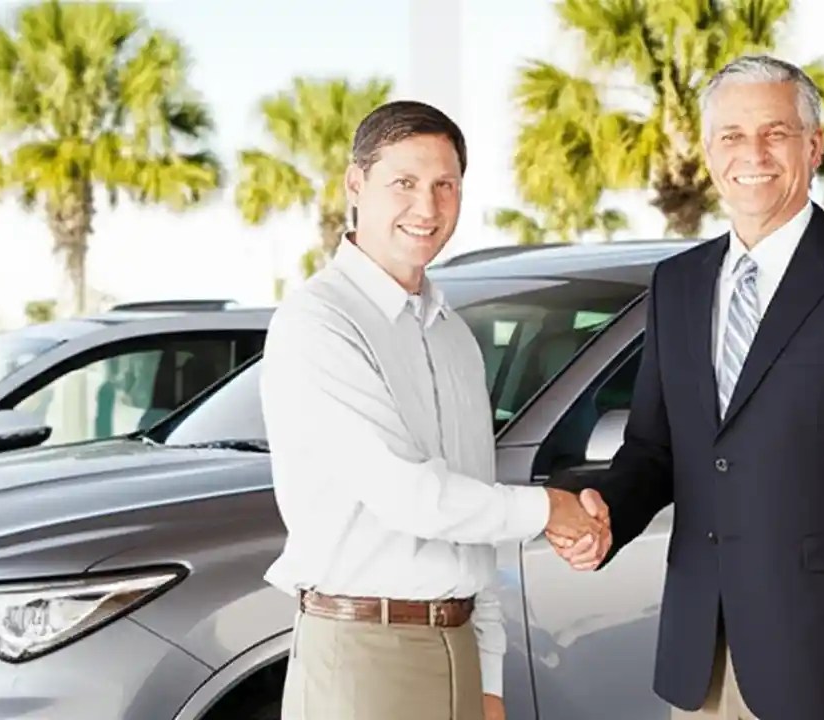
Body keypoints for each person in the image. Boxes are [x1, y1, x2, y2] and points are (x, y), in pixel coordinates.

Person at [548, 56, 824, 720]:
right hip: (697, 654)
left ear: (814, 146)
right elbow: (656, 448)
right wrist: (609, 516)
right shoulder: (676, 285)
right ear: (709, 151)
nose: (753, 153)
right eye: (732, 135)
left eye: (775, 133)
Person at [259, 100, 604, 720]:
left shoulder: (451, 335)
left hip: (458, 646)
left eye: (446, 185)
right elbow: (411, 497)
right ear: (355, 185)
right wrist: (549, 508)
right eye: (405, 183)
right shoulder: (319, 322)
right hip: (363, 658)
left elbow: (474, 513)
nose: (428, 207)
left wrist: (490, 682)